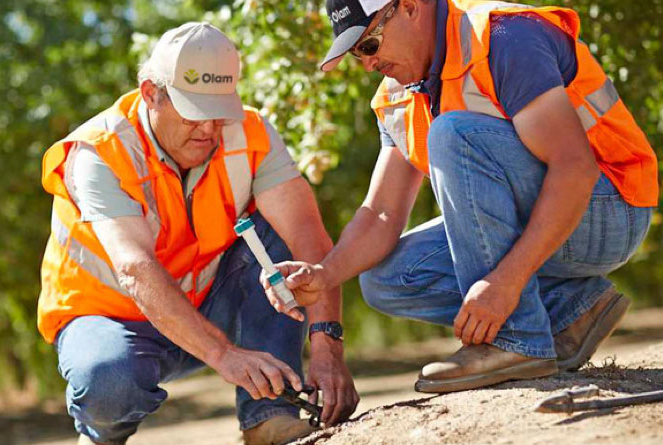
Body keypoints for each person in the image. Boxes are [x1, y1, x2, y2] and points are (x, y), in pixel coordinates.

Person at [266, 0, 657, 393]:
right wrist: (325, 273)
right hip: (556, 217)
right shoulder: (399, 94)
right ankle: (573, 309)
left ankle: (514, 338)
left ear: (410, 8)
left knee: (451, 133)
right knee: (385, 279)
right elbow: (381, 213)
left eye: (369, 45)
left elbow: (575, 169)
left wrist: (505, 282)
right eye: (356, 53)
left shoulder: (504, 39)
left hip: (611, 210)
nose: (368, 64)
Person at [36, 22, 358, 445]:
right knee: (108, 381)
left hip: (206, 306)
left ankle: (268, 417)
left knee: (278, 238)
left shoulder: (251, 133)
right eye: (194, 111)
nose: (209, 129)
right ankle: (102, 435)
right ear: (150, 93)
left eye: (218, 111)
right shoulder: (100, 153)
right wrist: (223, 355)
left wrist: (327, 345)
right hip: (110, 321)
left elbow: (309, 239)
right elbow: (135, 268)